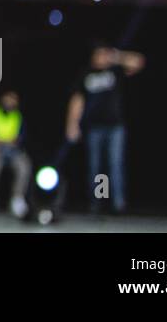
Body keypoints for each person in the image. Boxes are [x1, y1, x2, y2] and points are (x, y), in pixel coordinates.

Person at [66, 42, 145, 214]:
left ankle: (118, 204)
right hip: (94, 126)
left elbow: (138, 62)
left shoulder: (114, 71)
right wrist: (72, 125)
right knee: (96, 166)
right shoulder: (86, 75)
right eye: (99, 54)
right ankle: (97, 202)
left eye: (104, 54)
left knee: (115, 164)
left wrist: (116, 56)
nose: (102, 58)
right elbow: (77, 100)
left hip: (115, 126)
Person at [0, 89, 31, 218]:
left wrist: (4, 142)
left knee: (24, 165)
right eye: (8, 98)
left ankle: (17, 198)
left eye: (13, 99)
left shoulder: (18, 117)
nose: (10, 102)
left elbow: (18, 139)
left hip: (12, 150)